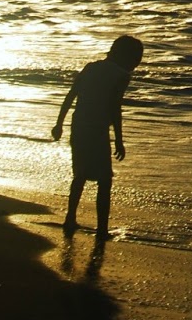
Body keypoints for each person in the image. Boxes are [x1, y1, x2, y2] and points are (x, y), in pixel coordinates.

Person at [51, 35, 144, 239]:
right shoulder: (121, 75)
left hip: (79, 126)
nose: (137, 63)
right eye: (137, 58)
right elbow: (114, 108)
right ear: (127, 57)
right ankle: (102, 229)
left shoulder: (90, 67)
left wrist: (59, 124)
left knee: (80, 174)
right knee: (104, 180)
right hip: (97, 130)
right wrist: (119, 139)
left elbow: (71, 96)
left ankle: (70, 218)